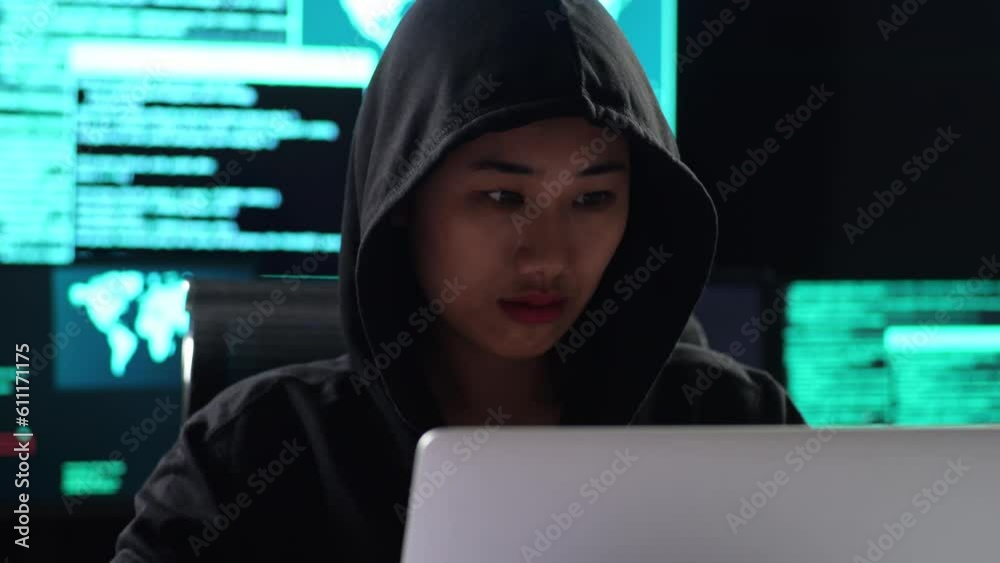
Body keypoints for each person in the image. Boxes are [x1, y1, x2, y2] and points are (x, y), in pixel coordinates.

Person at [112, 0, 804, 561]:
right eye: (502, 198)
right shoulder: (249, 458)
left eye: (593, 199)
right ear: (403, 200)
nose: (547, 257)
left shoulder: (737, 426)